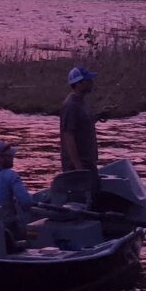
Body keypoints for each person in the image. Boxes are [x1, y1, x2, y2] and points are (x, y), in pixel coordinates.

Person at [58, 64, 99, 205]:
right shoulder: (71, 105)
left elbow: (83, 125)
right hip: (77, 166)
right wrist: (78, 168)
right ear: (79, 83)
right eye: (88, 80)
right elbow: (68, 137)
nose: (92, 82)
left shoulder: (81, 103)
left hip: (88, 162)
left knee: (94, 197)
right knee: (80, 203)